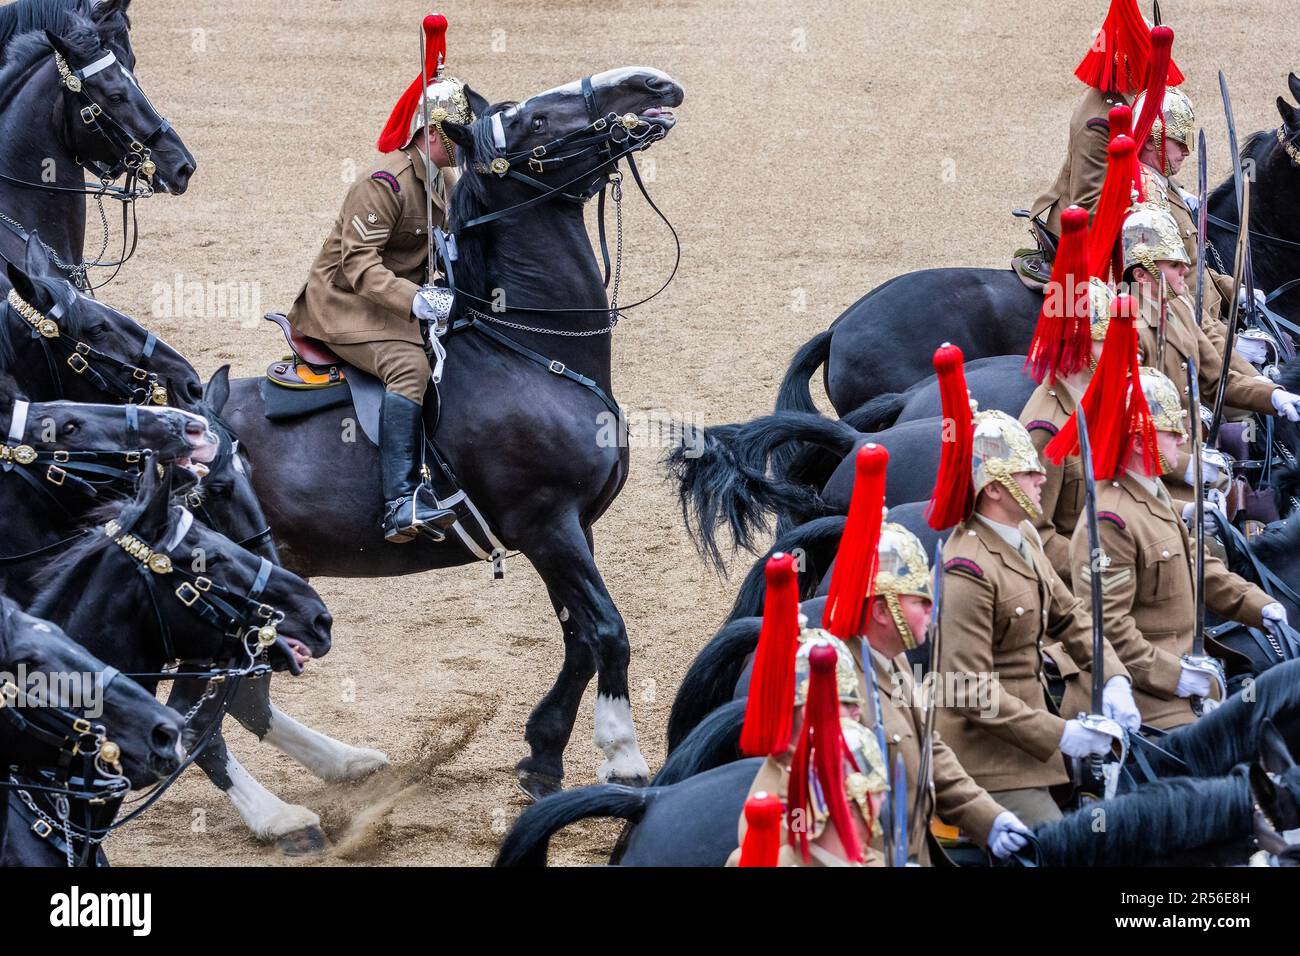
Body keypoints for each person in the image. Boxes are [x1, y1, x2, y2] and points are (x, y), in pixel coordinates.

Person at [284, 14, 478, 543]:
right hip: (343, 304)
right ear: (433, 133)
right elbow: (359, 267)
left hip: (392, 299)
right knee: (409, 365)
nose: (466, 146)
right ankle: (400, 500)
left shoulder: (445, 180)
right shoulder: (383, 183)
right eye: (459, 137)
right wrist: (418, 302)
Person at [926, 344, 1134, 826]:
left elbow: (1070, 616)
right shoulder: (967, 569)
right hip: (989, 762)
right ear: (994, 487)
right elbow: (970, 690)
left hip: (1035, 746)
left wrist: (1116, 676)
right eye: (1027, 470)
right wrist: (1060, 734)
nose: (1043, 475)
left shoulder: (1021, 534)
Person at [1066, 367, 1291, 728]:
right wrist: (1175, 676)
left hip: (1191, 678)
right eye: (1171, 432)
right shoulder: (1111, 520)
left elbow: (1200, 567)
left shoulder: (1153, 495)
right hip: (1150, 697)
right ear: (1140, 441)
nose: (1184, 437)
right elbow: (1106, 629)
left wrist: (1260, 606)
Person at [857, 520, 1032, 863]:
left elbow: (930, 752)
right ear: (881, 611)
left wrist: (990, 819)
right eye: (919, 601)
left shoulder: (898, 663)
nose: (931, 610)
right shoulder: (843, 684)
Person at [1121, 204, 1300, 503]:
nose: (1185, 270)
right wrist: (1186, 467)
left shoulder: (1179, 307)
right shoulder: (1128, 328)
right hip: (1161, 474)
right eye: (1173, 265)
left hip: (1201, 448)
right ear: (1141, 275)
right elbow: (1135, 429)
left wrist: (1272, 395)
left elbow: (1218, 379)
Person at [1027, 4, 1181, 242]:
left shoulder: (1128, 97)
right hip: (1088, 236)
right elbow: (1088, 207)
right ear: (1127, 62)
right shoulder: (1096, 124)